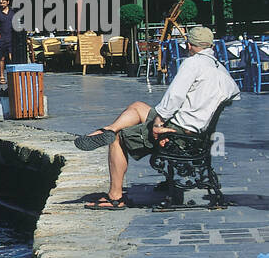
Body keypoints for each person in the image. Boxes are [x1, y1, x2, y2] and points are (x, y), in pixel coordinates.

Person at [74, 26, 239, 208]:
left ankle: (115, 197)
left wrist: (158, 124)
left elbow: (174, 96)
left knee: (117, 138)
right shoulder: (220, 69)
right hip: (197, 132)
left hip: (179, 132)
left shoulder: (193, 64)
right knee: (137, 107)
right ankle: (107, 129)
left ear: (189, 45)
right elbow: (234, 93)